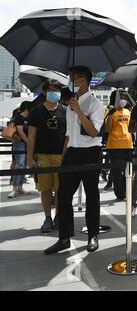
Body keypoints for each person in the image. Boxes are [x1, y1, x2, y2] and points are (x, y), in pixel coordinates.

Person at [45, 66, 105, 255]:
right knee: (63, 197)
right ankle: (64, 238)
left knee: (92, 196)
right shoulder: (71, 103)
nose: (69, 82)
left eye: (72, 78)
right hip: (71, 154)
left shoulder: (96, 104)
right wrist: (64, 156)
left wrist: (79, 111)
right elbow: (69, 135)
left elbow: (94, 132)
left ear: (82, 81)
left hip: (90, 153)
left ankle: (93, 235)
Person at [27, 79, 67, 233]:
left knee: (60, 190)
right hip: (42, 156)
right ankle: (47, 218)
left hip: (60, 156)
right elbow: (31, 137)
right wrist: (30, 158)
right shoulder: (36, 112)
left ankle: (58, 217)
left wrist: (65, 155)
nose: (54, 93)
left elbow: (68, 136)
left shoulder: (65, 110)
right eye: (51, 90)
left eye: (56, 90)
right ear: (44, 93)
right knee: (45, 189)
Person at [105, 90, 133, 201]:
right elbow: (107, 129)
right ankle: (120, 194)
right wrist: (111, 113)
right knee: (117, 171)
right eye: (121, 97)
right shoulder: (109, 111)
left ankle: (127, 191)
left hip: (128, 144)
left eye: (125, 98)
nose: (123, 100)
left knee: (129, 171)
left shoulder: (128, 111)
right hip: (114, 145)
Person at [8, 101, 32, 198]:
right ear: (27, 108)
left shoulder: (29, 118)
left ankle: (20, 187)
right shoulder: (18, 118)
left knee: (24, 166)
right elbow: (21, 132)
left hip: (26, 143)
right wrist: (29, 142)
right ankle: (14, 188)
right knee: (19, 165)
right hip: (19, 144)